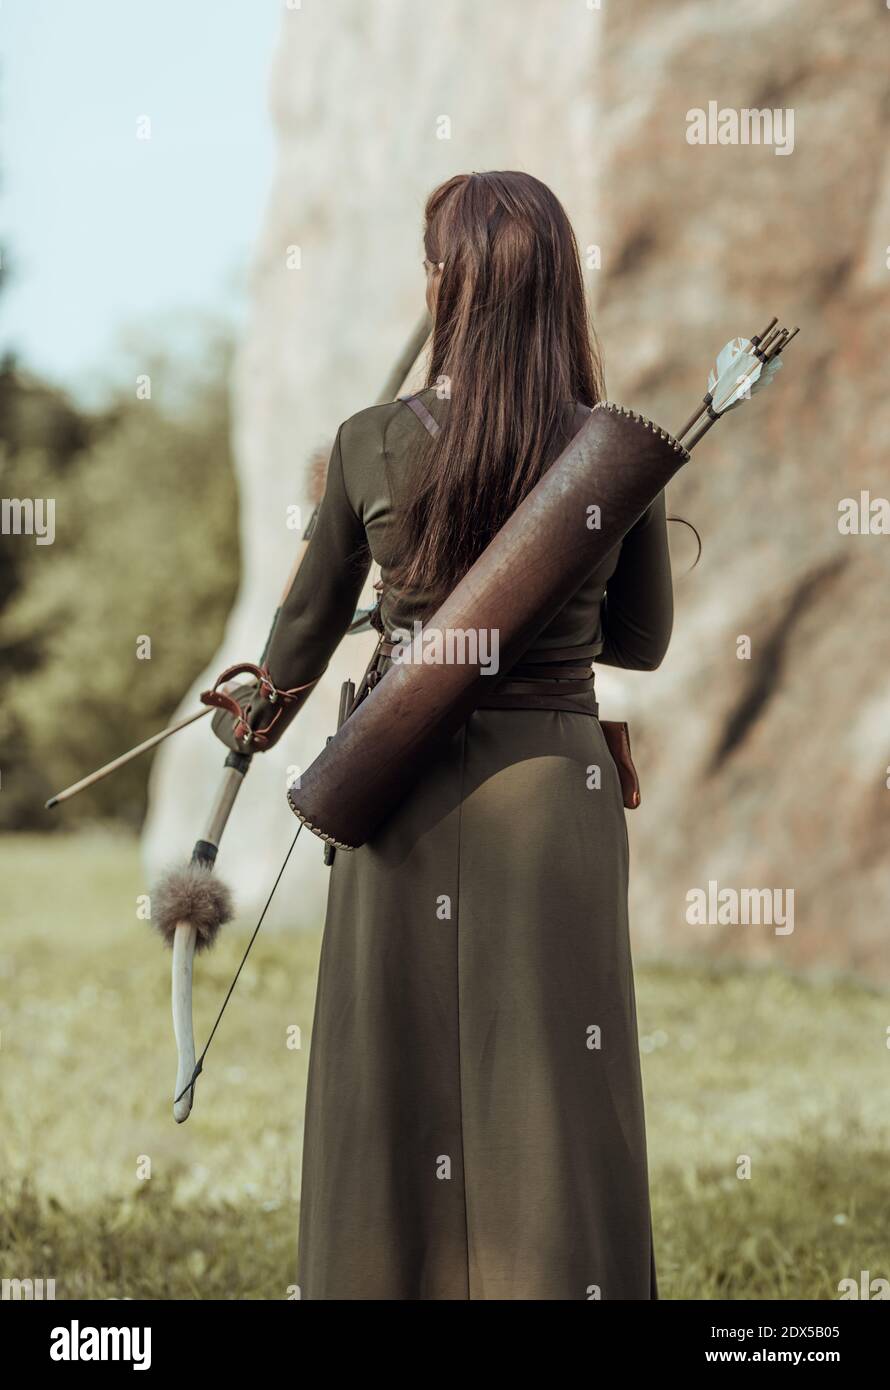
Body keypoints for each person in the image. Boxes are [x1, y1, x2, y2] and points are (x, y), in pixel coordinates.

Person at [220, 171, 673, 1300]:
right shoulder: (608, 451)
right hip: (551, 789)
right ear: (557, 289)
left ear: (445, 286)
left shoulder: (371, 441)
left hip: (397, 776)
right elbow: (642, 638)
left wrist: (251, 711)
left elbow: (294, 648)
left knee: (393, 1073)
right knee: (556, 1082)